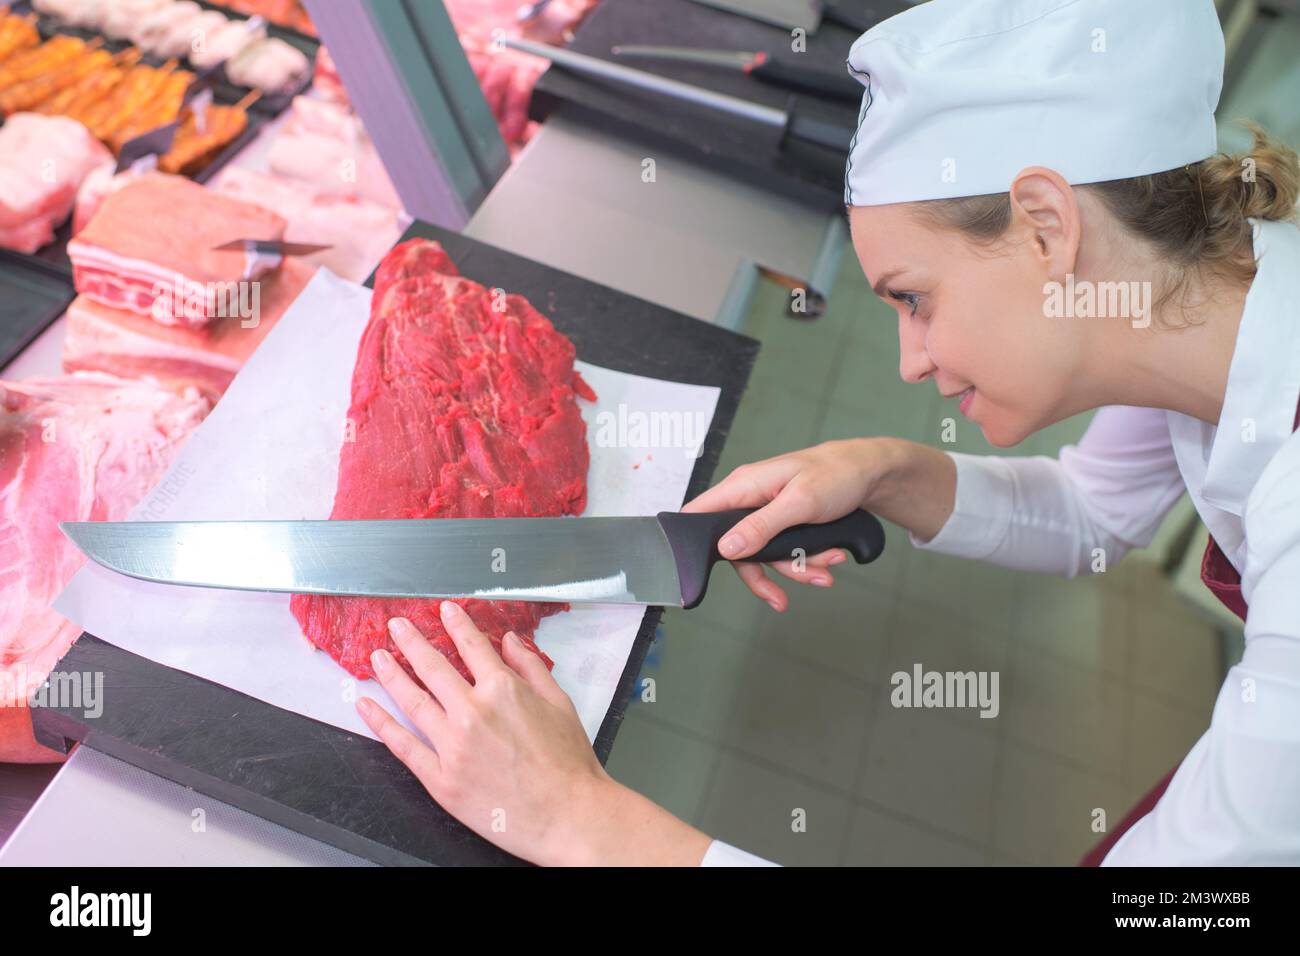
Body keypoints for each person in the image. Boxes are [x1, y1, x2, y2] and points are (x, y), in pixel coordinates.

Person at [356, 0, 1300, 865]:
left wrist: (579, 822)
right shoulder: (1208, 297)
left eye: (916, 300)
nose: (910, 362)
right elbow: (1097, 514)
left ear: (1049, 226)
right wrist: (882, 470)